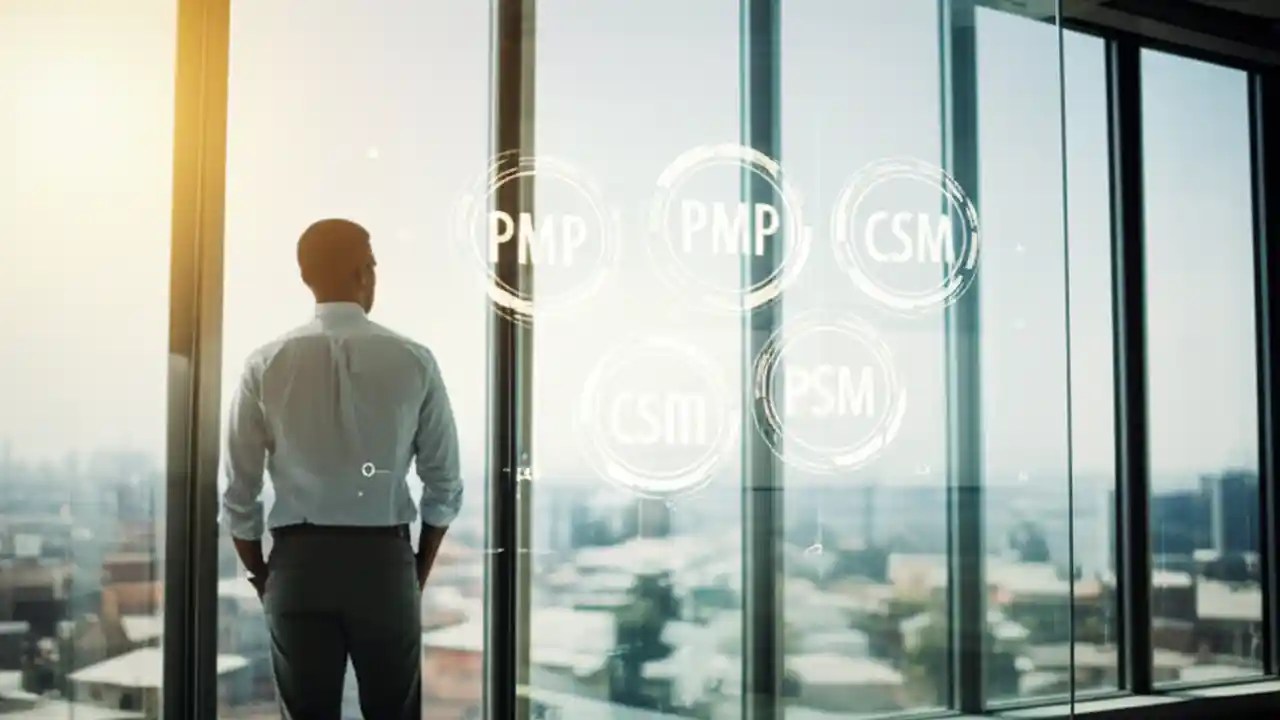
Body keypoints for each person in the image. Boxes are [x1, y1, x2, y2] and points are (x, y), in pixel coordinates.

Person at [221, 218, 462, 720]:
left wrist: (263, 576)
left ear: (306, 277)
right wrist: (415, 569)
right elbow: (444, 485)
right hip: (383, 562)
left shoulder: (264, 363)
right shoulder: (414, 360)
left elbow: (238, 496)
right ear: (364, 272)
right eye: (373, 263)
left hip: (297, 564)